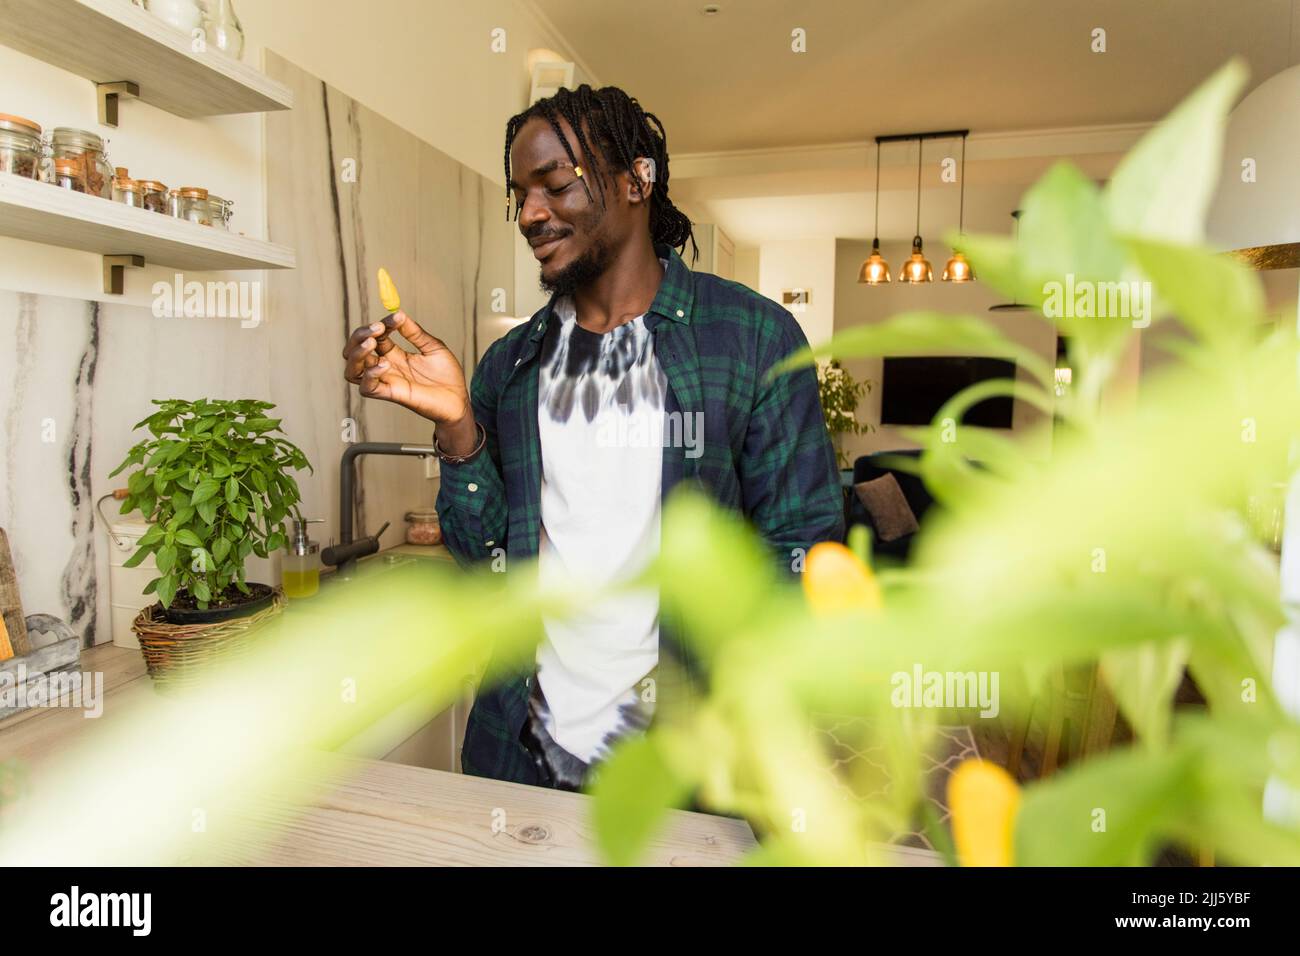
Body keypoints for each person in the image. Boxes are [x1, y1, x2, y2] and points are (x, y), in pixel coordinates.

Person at [343, 84, 843, 790]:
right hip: (523, 754)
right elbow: (482, 557)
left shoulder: (754, 337)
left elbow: (802, 549)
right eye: (520, 196)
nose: (532, 214)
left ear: (639, 180)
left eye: (553, 185)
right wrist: (456, 425)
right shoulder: (511, 364)